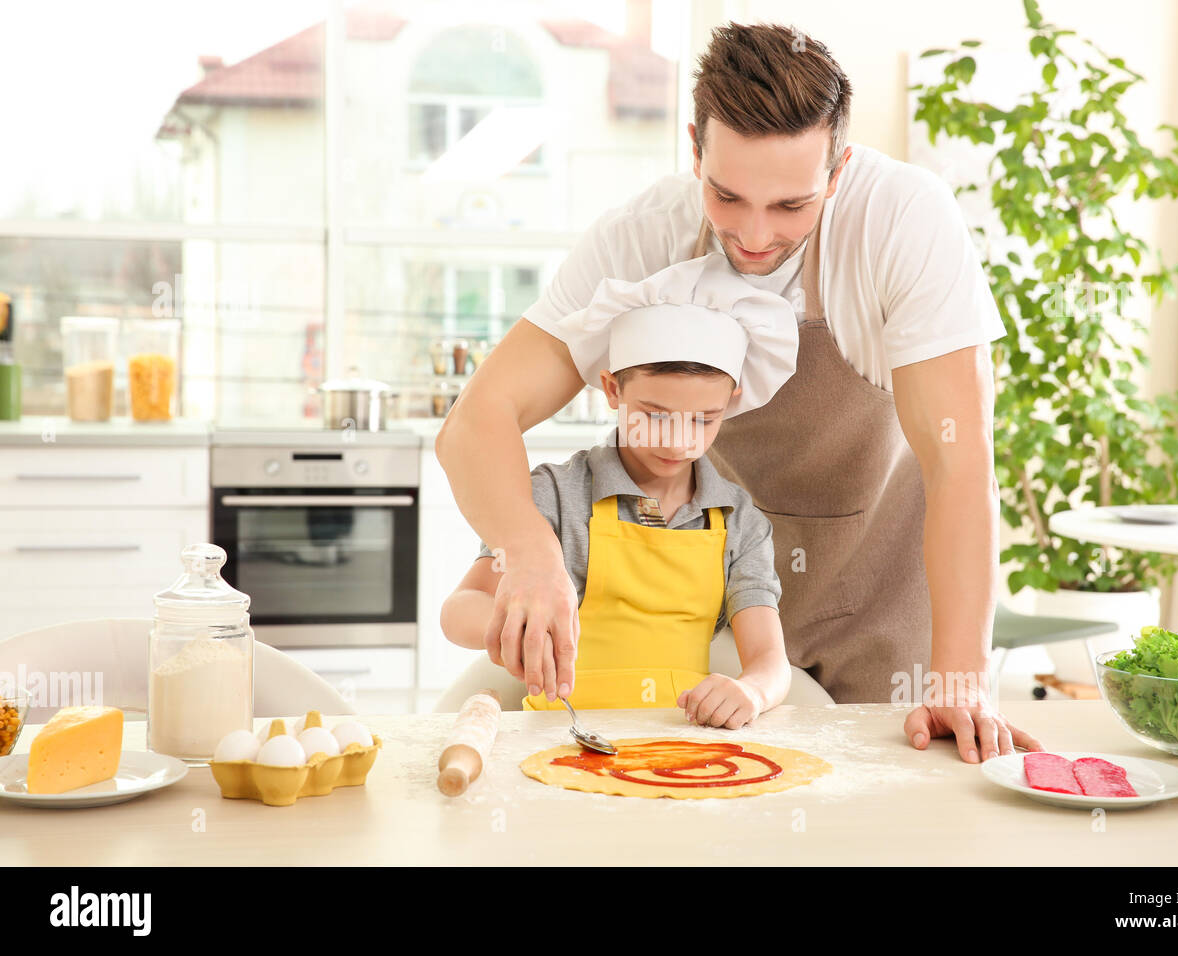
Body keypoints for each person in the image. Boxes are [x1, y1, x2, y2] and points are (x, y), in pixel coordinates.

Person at [436, 21, 1043, 761]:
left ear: (839, 169)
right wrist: (529, 556)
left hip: (881, 606)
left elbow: (959, 462)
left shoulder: (903, 224)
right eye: (727, 196)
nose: (755, 236)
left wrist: (962, 676)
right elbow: (475, 422)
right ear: (694, 148)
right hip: (714, 620)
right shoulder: (640, 238)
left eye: (792, 207)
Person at [440, 253, 800, 726]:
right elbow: (459, 610)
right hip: (557, 743)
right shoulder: (556, 495)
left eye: (703, 419)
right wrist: (518, 625)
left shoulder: (738, 520)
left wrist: (750, 692)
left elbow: (770, 661)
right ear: (612, 390)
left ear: (730, 401)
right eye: (654, 415)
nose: (677, 441)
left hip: (682, 750)